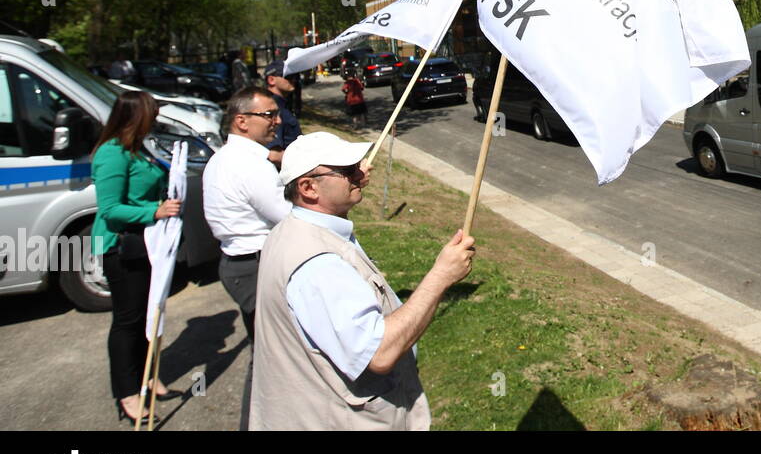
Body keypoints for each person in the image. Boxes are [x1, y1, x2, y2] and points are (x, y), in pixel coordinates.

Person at [250, 132, 475, 430]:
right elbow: (378, 353)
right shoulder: (317, 263)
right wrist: (440, 277)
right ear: (308, 188)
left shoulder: (293, 231)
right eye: (347, 170)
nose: (363, 171)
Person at [90, 90, 183, 423]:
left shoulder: (139, 148)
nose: (156, 119)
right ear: (136, 116)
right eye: (152, 114)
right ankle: (126, 392)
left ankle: (147, 376)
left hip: (148, 244)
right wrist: (155, 211)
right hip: (122, 248)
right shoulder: (112, 154)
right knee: (128, 322)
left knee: (149, 314)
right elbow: (111, 210)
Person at [202, 85, 290, 429]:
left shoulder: (234, 157)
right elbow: (285, 213)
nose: (276, 121)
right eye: (268, 114)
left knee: (271, 354)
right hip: (254, 266)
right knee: (271, 358)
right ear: (242, 121)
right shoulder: (247, 165)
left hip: (244, 264)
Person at [261, 60, 302, 167]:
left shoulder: (283, 104)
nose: (293, 80)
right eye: (288, 77)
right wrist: (305, 164)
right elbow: (273, 155)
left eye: (295, 76)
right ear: (271, 80)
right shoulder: (271, 107)